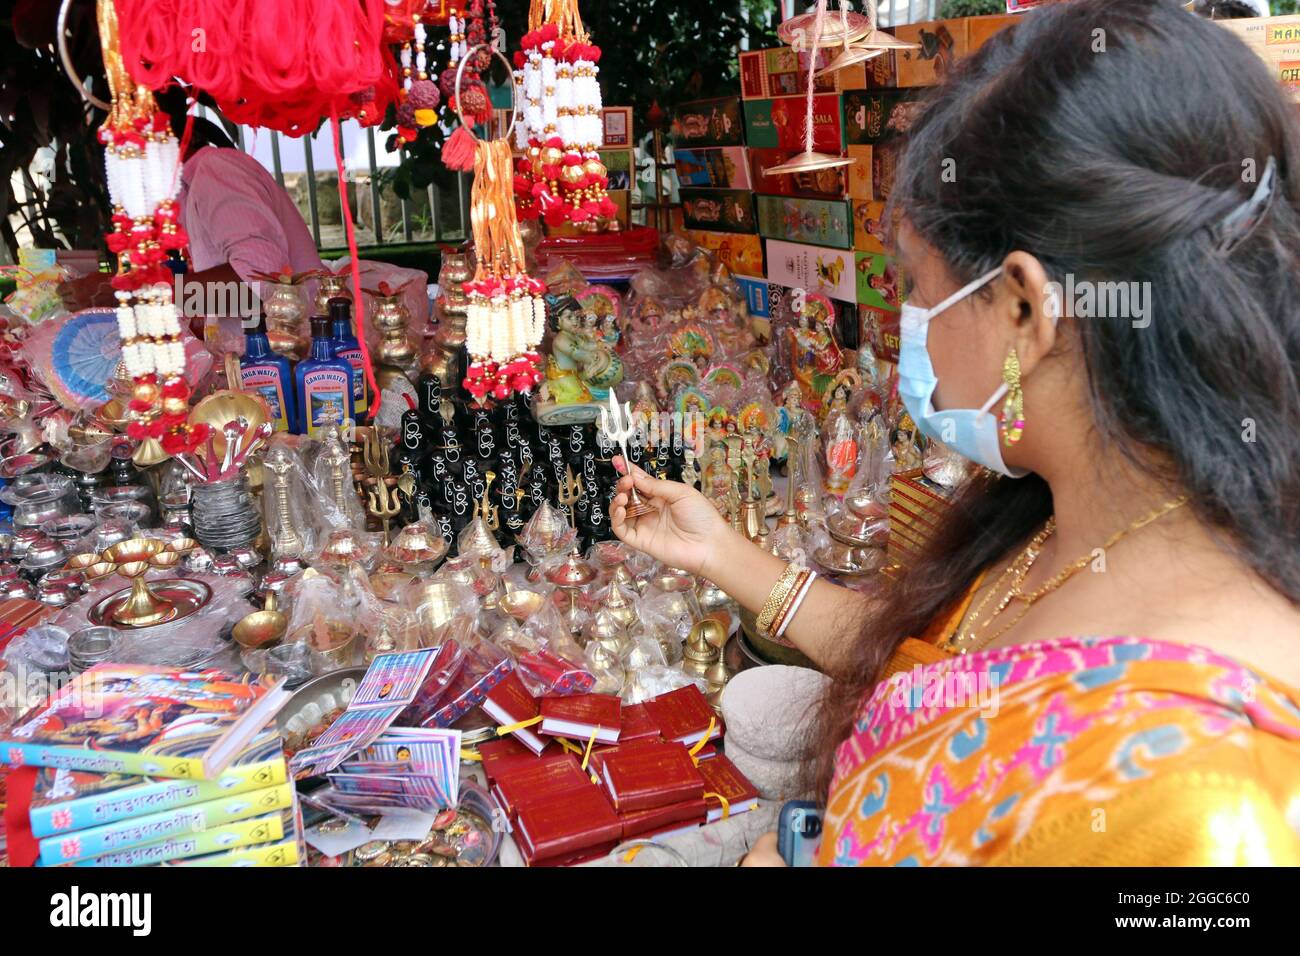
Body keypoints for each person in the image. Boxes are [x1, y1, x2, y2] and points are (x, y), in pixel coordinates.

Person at [611, 0, 1300, 866]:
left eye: (914, 284)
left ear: (1022, 309)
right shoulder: (1074, 515)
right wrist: (719, 554)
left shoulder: (1206, 800)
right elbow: (925, 670)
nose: (907, 322)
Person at [59, 93, 322, 313]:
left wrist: (133, 295)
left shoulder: (215, 172)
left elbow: (259, 286)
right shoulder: (190, 188)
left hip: (294, 365)